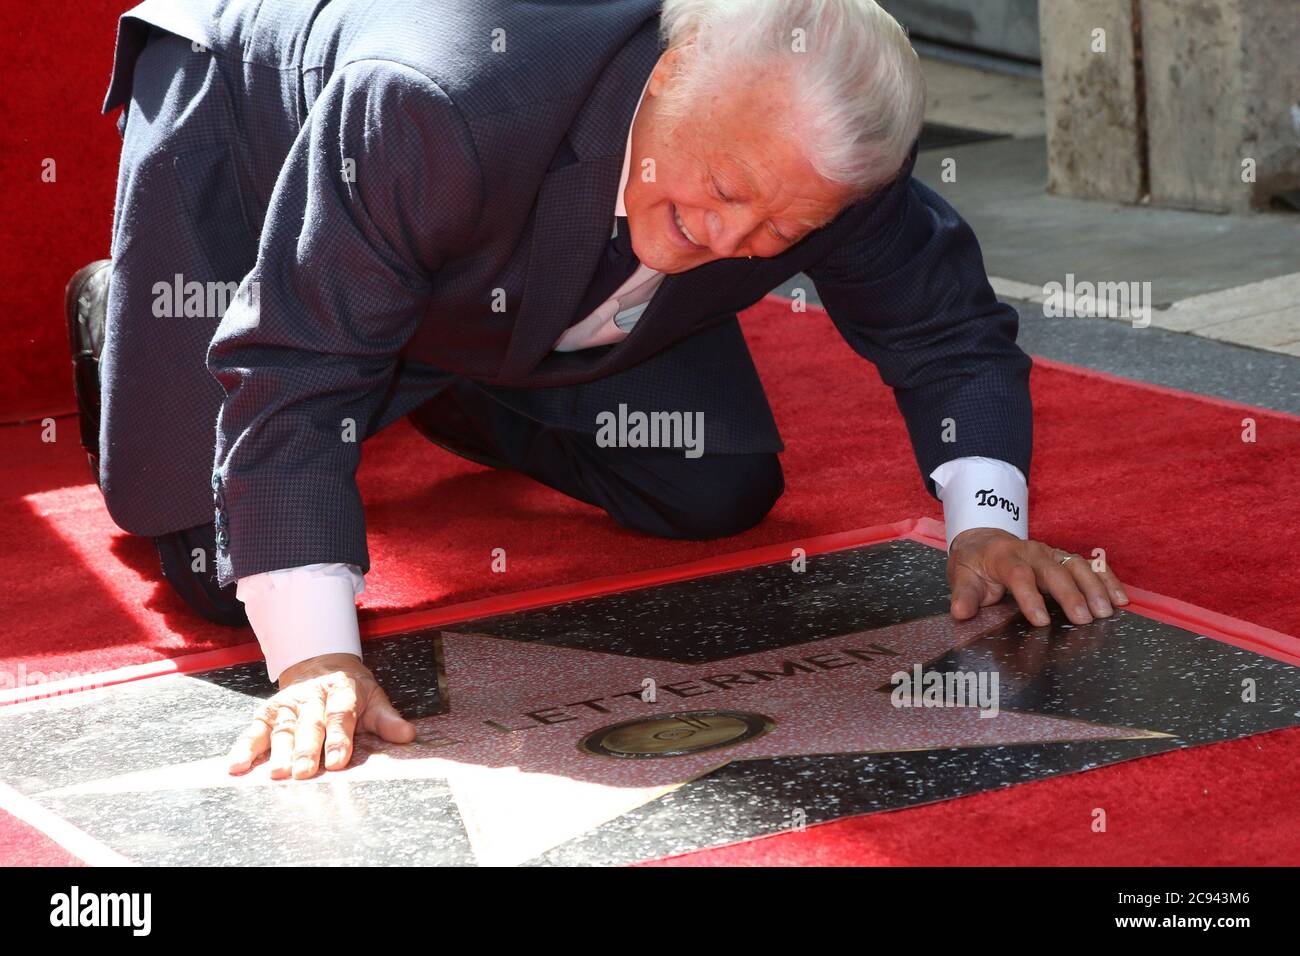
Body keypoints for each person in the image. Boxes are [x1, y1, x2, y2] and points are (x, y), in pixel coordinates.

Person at [66, 0, 1128, 782]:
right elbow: (295, 364)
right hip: (251, 102)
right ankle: (126, 320)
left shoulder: (822, 150)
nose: (731, 242)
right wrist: (317, 660)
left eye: (780, 233)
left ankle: (421, 362)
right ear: (668, 76)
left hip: (475, 220)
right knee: (214, 564)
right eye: (721, 192)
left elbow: (944, 322)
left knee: (710, 480)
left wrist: (985, 523)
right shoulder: (434, 99)